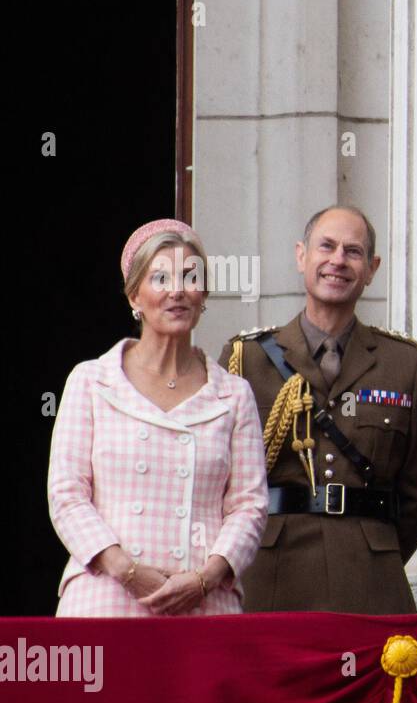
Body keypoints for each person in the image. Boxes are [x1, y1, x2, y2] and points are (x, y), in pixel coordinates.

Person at [218, 205, 417, 614]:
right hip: (270, 577)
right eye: (327, 246)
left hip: (370, 580)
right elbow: (219, 481)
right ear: (302, 255)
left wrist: (376, 550)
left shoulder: (404, 364)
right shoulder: (245, 358)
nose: (338, 260)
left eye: (353, 252)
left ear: (371, 269)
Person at [48, 219, 268, 617]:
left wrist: (205, 578)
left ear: (204, 296)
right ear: (135, 295)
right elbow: (67, 493)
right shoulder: (92, 381)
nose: (177, 291)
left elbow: (249, 506)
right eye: (161, 278)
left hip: (205, 603)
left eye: (190, 277)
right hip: (106, 599)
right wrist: (127, 570)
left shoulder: (234, 394)